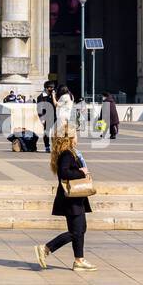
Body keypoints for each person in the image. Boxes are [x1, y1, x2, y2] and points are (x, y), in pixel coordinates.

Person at [34, 121, 97, 272]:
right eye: (76, 136)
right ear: (69, 138)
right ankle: (46, 248)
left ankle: (79, 260)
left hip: (77, 198)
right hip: (71, 199)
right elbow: (64, 173)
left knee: (81, 229)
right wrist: (82, 172)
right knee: (75, 231)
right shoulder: (67, 154)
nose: (77, 138)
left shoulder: (70, 152)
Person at [35, 81, 57, 149]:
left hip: (55, 116)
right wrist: (42, 119)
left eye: (53, 87)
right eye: (51, 88)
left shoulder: (54, 95)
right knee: (47, 132)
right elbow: (39, 108)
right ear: (46, 88)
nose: (52, 89)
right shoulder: (41, 97)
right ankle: (47, 146)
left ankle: (55, 146)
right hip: (46, 117)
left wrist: (54, 96)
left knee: (55, 132)